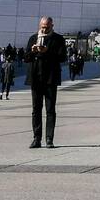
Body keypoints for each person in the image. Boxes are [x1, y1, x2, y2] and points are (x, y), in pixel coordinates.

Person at [23, 16, 67, 148]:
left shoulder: (58, 39)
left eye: (47, 27)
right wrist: (32, 51)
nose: (44, 29)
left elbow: (62, 57)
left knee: (50, 110)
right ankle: (36, 138)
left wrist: (47, 51)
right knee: (36, 109)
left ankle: (49, 138)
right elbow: (26, 58)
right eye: (42, 27)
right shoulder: (33, 38)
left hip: (50, 78)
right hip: (35, 78)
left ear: (52, 26)